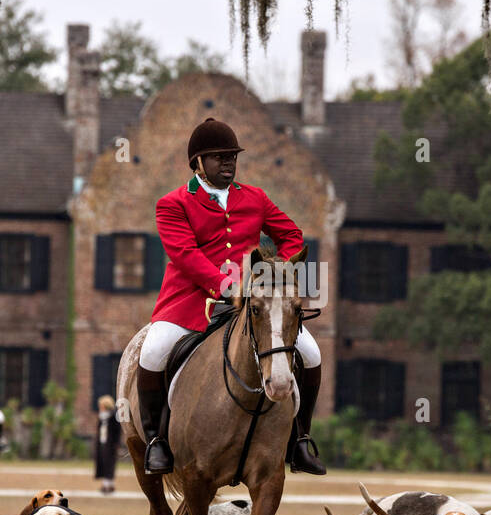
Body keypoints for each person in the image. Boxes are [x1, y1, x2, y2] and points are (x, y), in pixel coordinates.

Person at [137, 117, 326, 476]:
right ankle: (156, 440)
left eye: (232, 156)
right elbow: (185, 255)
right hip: (190, 303)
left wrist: (274, 277)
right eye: (218, 157)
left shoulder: (255, 198)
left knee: (311, 354)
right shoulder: (172, 203)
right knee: (153, 351)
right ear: (197, 163)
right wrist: (227, 286)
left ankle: (300, 440)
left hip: (255, 304)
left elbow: (293, 237)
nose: (228, 162)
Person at [93, 394, 122, 494]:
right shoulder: (101, 416)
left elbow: (118, 431)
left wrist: (116, 444)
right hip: (102, 442)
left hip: (111, 444)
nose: (100, 407)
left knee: (110, 464)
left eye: (101, 405)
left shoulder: (113, 416)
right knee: (103, 463)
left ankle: (109, 485)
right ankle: (106, 484)